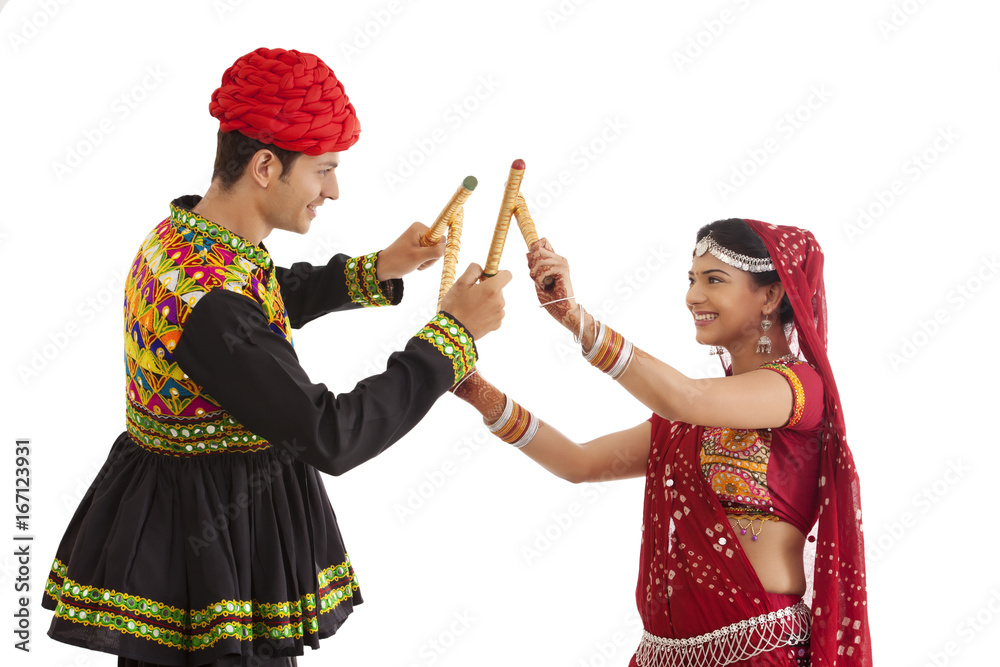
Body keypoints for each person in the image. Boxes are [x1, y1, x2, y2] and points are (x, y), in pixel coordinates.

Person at [41, 47, 510, 667]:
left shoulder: (182, 238)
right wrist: (450, 339)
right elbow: (331, 434)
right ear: (265, 165)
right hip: (214, 555)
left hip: (198, 524)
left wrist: (376, 270)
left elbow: (258, 299)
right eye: (323, 170)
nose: (334, 190)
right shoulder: (212, 302)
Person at [451, 218, 871, 665]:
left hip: (758, 654)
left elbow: (683, 397)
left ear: (770, 295)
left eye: (714, 280)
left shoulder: (797, 389)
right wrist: (473, 387)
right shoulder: (689, 422)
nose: (693, 295)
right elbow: (578, 463)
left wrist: (576, 319)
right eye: (692, 279)